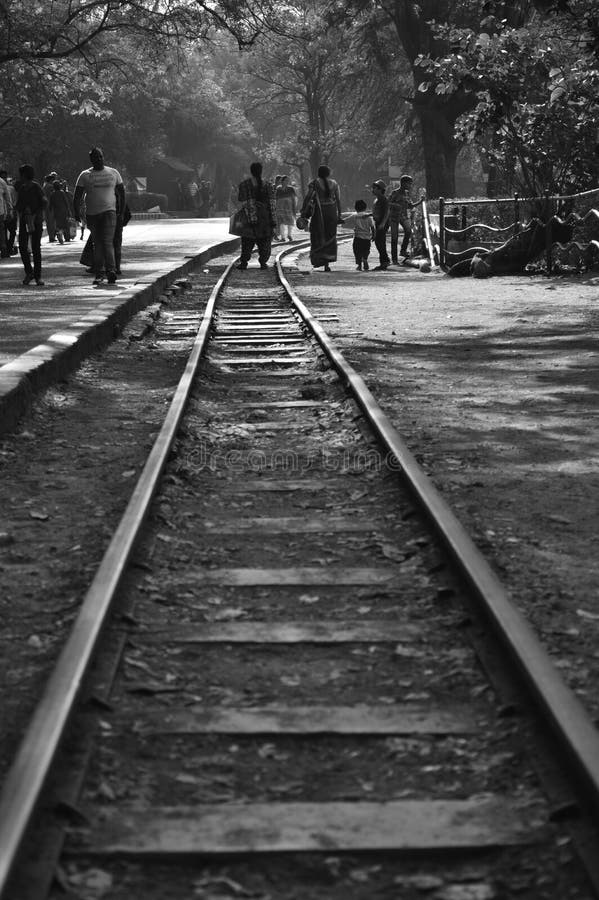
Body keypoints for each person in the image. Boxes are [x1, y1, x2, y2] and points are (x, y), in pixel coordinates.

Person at [73, 146, 124, 285]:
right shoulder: (85, 175)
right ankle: (99, 273)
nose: (99, 159)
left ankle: (111, 270)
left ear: (103, 157)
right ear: (91, 159)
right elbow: (77, 196)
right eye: (96, 157)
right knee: (98, 244)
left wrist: (121, 211)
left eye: (100, 156)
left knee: (107, 242)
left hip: (110, 212)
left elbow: (121, 193)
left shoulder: (113, 173)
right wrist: (76, 213)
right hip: (92, 214)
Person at [300, 164, 342, 272]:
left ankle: (319, 260)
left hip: (319, 213)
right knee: (330, 236)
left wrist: (303, 211)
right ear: (328, 173)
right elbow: (338, 200)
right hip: (331, 212)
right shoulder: (334, 183)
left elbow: (308, 197)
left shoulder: (314, 183)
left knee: (318, 235)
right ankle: (327, 264)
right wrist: (339, 215)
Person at [236, 161, 277, 270]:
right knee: (265, 241)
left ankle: (244, 262)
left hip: (248, 217)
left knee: (247, 241)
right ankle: (263, 262)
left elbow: (240, 200)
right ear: (261, 171)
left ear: (251, 171)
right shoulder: (268, 185)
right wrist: (273, 220)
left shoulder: (244, 185)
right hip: (264, 218)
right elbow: (272, 203)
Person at [15, 163, 46, 285]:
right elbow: (19, 205)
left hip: (36, 221)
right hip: (24, 221)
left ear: (25, 175)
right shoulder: (22, 189)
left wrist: (35, 214)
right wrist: (18, 209)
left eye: (21, 174)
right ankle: (29, 272)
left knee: (35, 248)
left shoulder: (36, 187)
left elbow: (44, 202)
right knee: (22, 247)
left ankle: (38, 276)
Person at [341, 199, 376, 271]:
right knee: (366, 250)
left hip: (358, 237)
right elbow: (372, 227)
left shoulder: (355, 216)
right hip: (367, 238)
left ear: (355, 208)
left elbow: (345, 220)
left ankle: (359, 265)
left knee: (357, 251)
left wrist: (336, 221)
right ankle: (365, 258)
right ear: (365, 208)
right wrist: (373, 235)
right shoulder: (368, 216)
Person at [388, 174, 415, 262]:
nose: (410, 185)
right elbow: (388, 203)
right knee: (394, 238)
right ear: (403, 183)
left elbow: (410, 206)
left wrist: (420, 201)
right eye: (409, 183)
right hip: (394, 217)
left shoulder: (407, 193)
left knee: (408, 231)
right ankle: (394, 259)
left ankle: (403, 251)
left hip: (403, 216)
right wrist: (396, 205)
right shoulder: (395, 193)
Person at [371, 179, 390, 270]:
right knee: (378, 242)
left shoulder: (383, 199)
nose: (373, 190)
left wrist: (383, 223)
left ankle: (384, 262)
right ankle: (384, 261)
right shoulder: (376, 200)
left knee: (380, 242)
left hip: (382, 223)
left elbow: (386, 212)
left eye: (374, 188)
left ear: (380, 189)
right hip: (378, 223)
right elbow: (376, 211)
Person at [0, 170, 17, 256]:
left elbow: (12, 200)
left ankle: (7, 248)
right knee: (3, 232)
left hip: (6, 212)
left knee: (9, 231)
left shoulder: (10, 187)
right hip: (2, 212)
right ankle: (5, 250)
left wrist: (11, 210)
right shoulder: (3, 184)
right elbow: (9, 199)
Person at [275, 175, 297, 242]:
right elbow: (276, 198)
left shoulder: (291, 189)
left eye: (288, 180)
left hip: (289, 208)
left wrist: (294, 206)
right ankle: (283, 237)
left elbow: (294, 198)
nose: (287, 181)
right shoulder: (278, 189)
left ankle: (289, 235)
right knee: (281, 222)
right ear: (282, 181)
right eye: (286, 180)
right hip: (280, 208)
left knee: (290, 221)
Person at [42, 172, 58, 242]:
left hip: (45, 206)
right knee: (52, 222)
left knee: (48, 222)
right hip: (50, 205)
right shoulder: (50, 186)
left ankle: (51, 236)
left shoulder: (44, 186)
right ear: (51, 180)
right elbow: (53, 196)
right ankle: (52, 237)